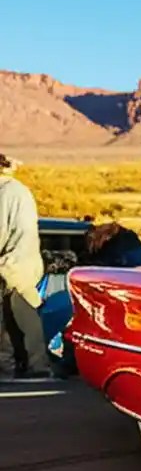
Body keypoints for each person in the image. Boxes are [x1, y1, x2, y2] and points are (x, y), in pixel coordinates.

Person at [0, 153, 50, 380]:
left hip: (11, 264)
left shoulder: (3, 194)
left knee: (10, 319)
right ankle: (35, 364)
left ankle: (8, 367)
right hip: (27, 262)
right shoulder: (19, 190)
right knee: (24, 315)